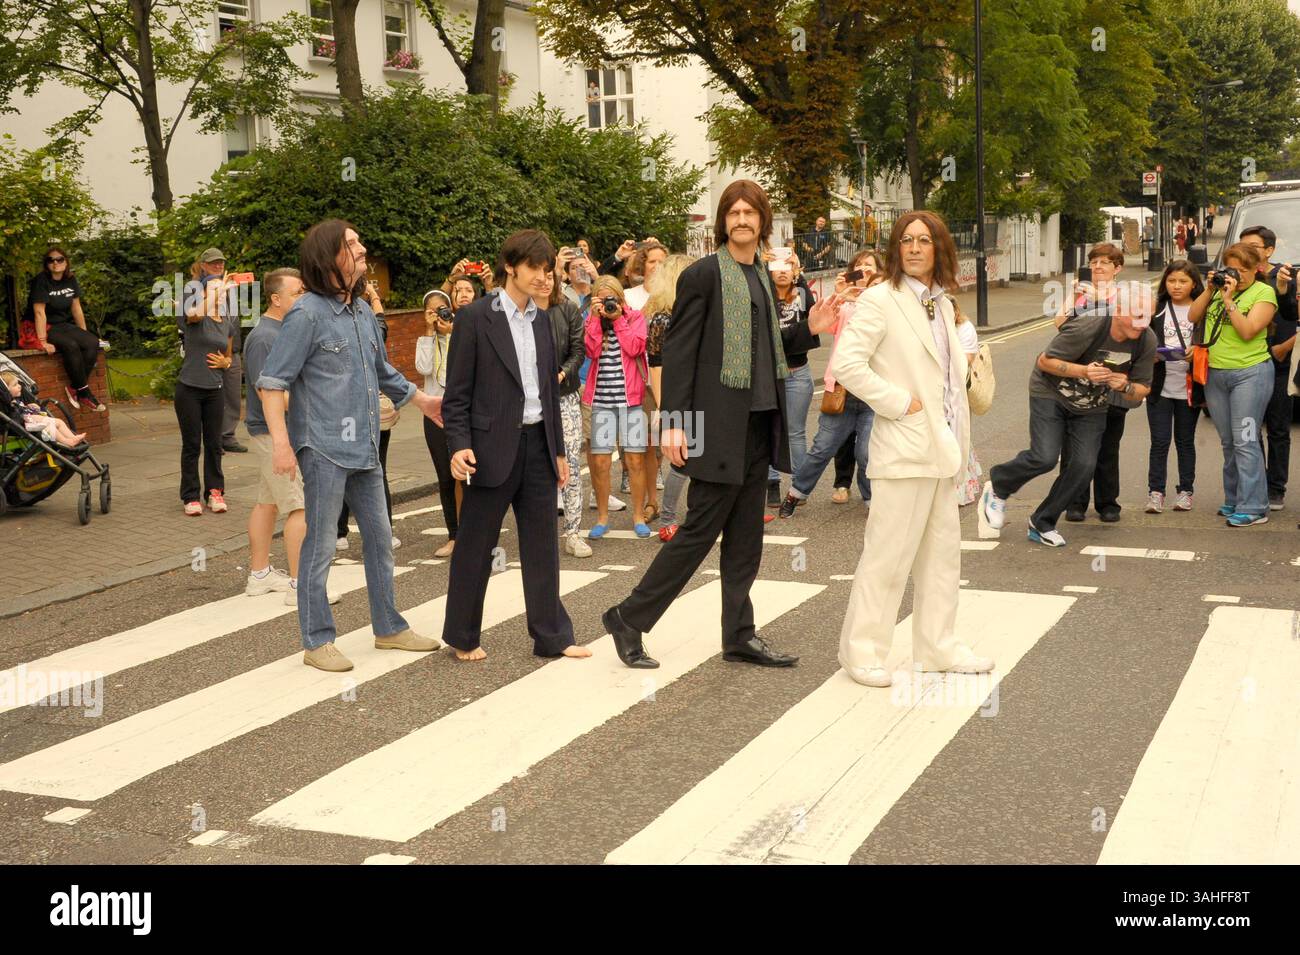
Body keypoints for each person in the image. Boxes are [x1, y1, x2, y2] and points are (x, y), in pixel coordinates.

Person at [602, 179, 798, 670]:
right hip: (714, 424)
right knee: (697, 533)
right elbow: (680, 352)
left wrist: (811, 330)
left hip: (756, 423)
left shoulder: (759, 277)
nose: (741, 219)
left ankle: (739, 635)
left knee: (746, 538)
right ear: (722, 222)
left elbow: (769, 349)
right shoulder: (706, 276)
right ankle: (628, 617)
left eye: (749, 212)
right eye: (732, 212)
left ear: (762, 220)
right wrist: (674, 423)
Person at [256, 219, 445, 672]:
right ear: (330, 258)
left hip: (364, 444)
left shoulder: (361, 311)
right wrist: (282, 445)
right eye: (353, 245)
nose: (363, 250)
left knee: (380, 539)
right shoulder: (306, 314)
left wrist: (422, 400)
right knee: (320, 546)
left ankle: (389, 627)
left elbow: (381, 369)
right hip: (322, 448)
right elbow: (271, 382)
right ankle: (317, 640)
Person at [832, 211, 992, 688]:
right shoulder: (881, 300)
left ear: (940, 248)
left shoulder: (942, 305)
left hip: (943, 449)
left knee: (942, 557)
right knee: (887, 557)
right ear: (896, 249)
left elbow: (948, 380)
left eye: (925, 240)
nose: (916, 248)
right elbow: (847, 364)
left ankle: (936, 647)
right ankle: (861, 652)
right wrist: (900, 403)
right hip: (903, 447)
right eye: (907, 240)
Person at [440, 229, 590, 663]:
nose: (544, 278)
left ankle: (552, 637)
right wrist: (458, 445)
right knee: (475, 545)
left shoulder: (544, 319)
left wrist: (559, 450)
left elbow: (547, 389)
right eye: (535, 270)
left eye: (548, 271)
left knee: (542, 544)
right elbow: (457, 395)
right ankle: (463, 636)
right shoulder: (474, 318)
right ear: (511, 267)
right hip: (490, 448)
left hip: (539, 445)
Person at [982, 281, 1157, 546]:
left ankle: (1042, 521)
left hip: (1093, 405)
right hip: (1050, 393)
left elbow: (1142, 389)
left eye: (1148, 316)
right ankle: (998, 485)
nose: (1143, 323)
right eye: (1137, 315)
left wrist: (1125, 385)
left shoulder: (1146, 340)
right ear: (1118, 309)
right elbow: (1044, 361)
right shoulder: (1090, 325)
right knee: (1045, 456)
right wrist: (1084, 371)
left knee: (1085, 465)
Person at [241, 267, 342, 607]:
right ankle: (304, 587)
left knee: (267, 502)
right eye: (297, 293)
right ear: (275, 298)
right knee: (299, 506)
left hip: (271, 431)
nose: (304, 298)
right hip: (273, 433)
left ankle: (259, 575)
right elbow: (267, 392)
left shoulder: (279, 331)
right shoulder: (264, 338)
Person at [776, 248, 884, 517]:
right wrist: (839, 294)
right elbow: (823, 324)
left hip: (872, 391)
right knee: (822, 448)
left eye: (870, 267)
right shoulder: (844, 304)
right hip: (841, 391)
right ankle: (796, 493)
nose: (865, 271)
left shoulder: (886, 304)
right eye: (860, 267)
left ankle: (872, 499)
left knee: (866, 452)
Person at [1187, 242, 1278, 527]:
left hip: (1250, 373)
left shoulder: (1264, 292)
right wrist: (1210, 290)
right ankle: (1234, 499)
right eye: (1231, 269)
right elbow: (1192, 317)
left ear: (1257, 269)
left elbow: (1249, 331)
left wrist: (1229, 301)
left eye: (1243, 271)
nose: (1236, 276)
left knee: (1246, 440)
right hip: (1217, 374)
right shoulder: (1219, 289)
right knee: (1229, 442)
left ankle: (1255, 506)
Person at [1057, 242, 1131, 523]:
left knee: (1108, 445)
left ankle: (1107, 502)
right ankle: (1075, 502)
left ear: (1117, 268)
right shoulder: (1079, 294)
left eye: (1105, 262)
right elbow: (1060, 324)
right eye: (1095, 262)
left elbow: (1126, 326)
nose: (1098, 267)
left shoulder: (1124, 296)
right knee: (1075, 445)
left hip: (1111, 375)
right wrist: (1077, 296)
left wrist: (1100, 298)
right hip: (1078, 377)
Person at [583, 275, 652, 538]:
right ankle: (601, 518)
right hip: (601, 401)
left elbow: (635, 348)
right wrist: (594, 319)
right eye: (602, 299)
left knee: (635, 459)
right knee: (600, 462)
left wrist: (618, 319)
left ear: (620, 298)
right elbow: (591, 352)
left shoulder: (634, 318)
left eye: (611, 298)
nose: (607, 304)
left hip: (631, 401)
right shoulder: (592, 320)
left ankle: (637, 516)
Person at [335, 279, 399, 551]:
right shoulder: (371, 320)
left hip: (359, 414)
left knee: (358, 470)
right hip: (364, 414)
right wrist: (374, 296)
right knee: (371, 469)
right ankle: (381, 531)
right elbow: (381, 324)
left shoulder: (355, 320)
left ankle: (341, 532)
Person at [1239, 225, 1297, 511]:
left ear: (1269, 250)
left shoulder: (1285, 277)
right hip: (1246, 363)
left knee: (1277, 428)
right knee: (1248, 428)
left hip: (1280, 363)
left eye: (1254, 246)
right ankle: (1254, 484)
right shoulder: (1239, 279)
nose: (1246, 251)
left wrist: (1283, 348)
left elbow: (1293, 317)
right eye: (1243, 245)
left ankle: (1276, 488)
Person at [176, 255, 236, 516]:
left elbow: (229, 352)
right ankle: (190, 496)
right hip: (189, 388)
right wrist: (215, 290)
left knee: (214, 444)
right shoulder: (192, 313)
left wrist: (225, 363)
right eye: (213, 289)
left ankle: (215, 491)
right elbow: (195, 315)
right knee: (192, 444)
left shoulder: (227, 319)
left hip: (214, 390)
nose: (220, 294)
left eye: (221, 291)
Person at [1144, 260, 1204, 514]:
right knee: (1159, 441)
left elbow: (1213, 342)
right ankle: (1155, 493)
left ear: (1194, 284)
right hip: (1159, 386)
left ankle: (1185, 492)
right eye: (1171, 281)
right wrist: (1152, 354)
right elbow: (1141, 340)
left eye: (1182, 281)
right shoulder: (1156, 309)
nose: (1176, 286)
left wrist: (1198, 350)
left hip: (1189, 386)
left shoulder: (1202, 309)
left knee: (1184, 441)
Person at [643, 253, 695, 541]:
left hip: (696, 393)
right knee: (682, 460)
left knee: (700, 455)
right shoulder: (663, 318)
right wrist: (666, 410)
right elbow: (657, 366)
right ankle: (667, 518)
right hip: (676, 397)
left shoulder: (688, 312)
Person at [541, 263, 592, 557]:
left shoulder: (568, 309)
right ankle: (540, 535)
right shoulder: (519, 311)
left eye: (551, 276)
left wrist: (561, 373)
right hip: (530, 402)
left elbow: (578, 349)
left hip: (565, 396)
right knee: (536, 468)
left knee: (570, 465)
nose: (546, 281)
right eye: (542, 275)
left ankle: (573, 533)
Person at [762, 249, 817, 506]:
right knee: (768, 430)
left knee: (795, 432)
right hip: (771, 374)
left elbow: (814, 317)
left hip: (798, 373)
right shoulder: (765, 296)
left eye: (786, 265)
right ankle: (771, 483)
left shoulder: (802, 294)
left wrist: (801, 274)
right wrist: (761, 266)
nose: (782, 270)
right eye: (776, 265)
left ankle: (798, 485)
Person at [27, 247, 105, 413]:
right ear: (46, 264)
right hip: (47, 326)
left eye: (60, 259)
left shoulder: (70, 279)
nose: (55, 263)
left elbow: (76, 308)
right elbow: (39, 312)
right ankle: (84, 393)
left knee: (92, 342)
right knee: (70, 345)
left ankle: (75, 387)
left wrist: (84, 333)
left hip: (64, 324)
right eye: (51, 260)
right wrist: (42, 341)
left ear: (66, 261)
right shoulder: (41, 281)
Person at [415, 289, 462, 558]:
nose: (440, 314)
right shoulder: (427, 339)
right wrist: (429, 333)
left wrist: (451, 333)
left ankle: (471, 533)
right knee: (445, 477)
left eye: (443, 308)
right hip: (434, 413)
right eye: (433, 311)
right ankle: (454, 535)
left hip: (460, 412)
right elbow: (422, 368)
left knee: (465, 477)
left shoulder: (460, 335)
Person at [949, 294, 984, 505]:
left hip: (956, 392)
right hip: (933, 393)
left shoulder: (965, 328)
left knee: (956, 438)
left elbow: (964, 363)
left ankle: (960, 490)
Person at [2, 370, 86, 447]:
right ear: (7, 391)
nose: (20, 386)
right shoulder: (10, 404)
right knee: (48, 426)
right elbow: (17, 415)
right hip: (25, 424)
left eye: (18, 383)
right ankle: (67, 442)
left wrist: (31, 407)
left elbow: (24, 409)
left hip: (32, 418)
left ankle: (73, 438)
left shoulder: (18, 400)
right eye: (15, 385)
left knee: (59, 422)